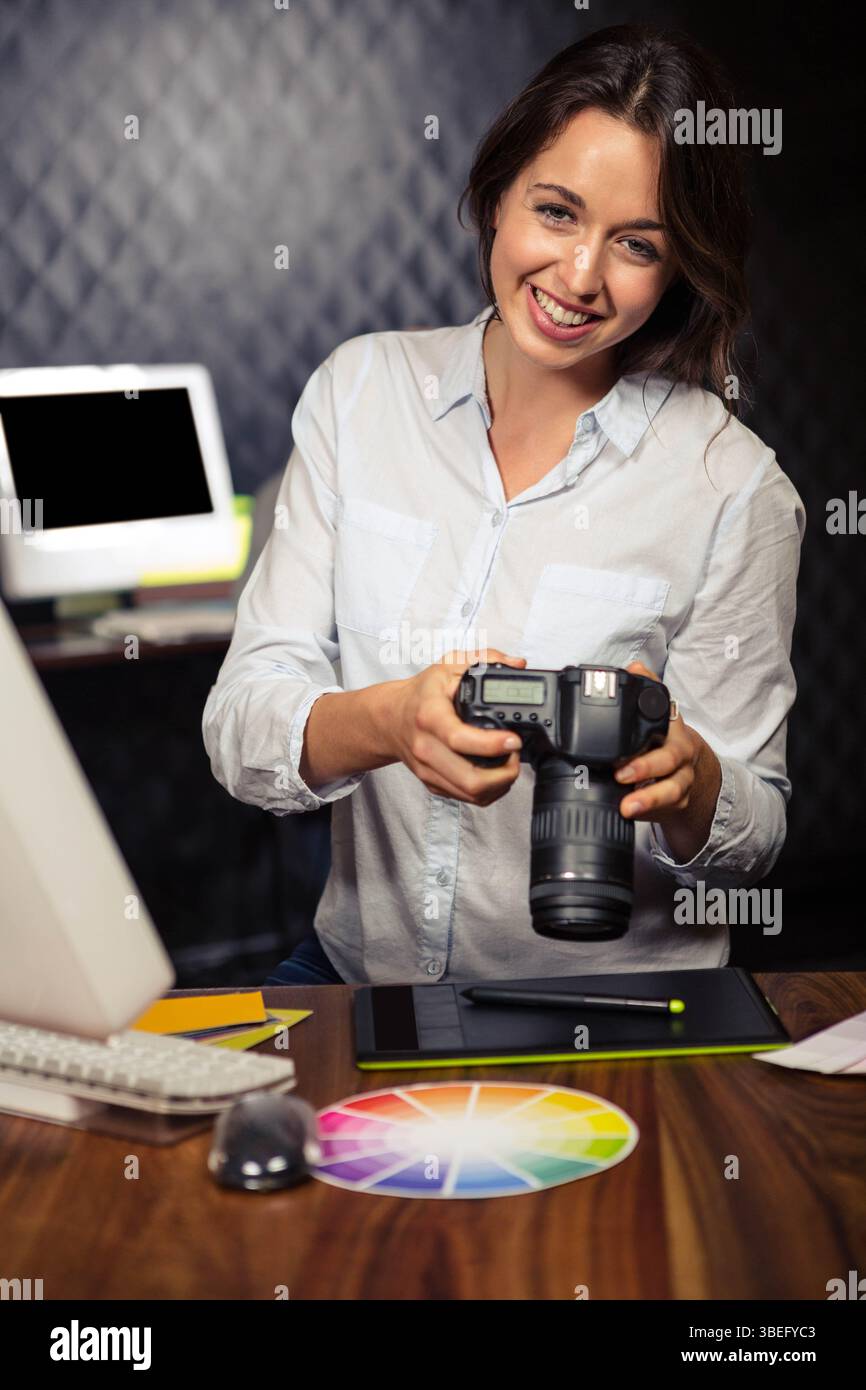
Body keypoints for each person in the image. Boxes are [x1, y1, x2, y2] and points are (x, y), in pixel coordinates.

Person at [202, 23, 805, 986]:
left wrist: (694, 789)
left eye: (636, 245)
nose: (578, 277)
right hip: (363, 979)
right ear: (497, 194)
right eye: (557, 212)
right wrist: (394, 721)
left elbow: (758, 832)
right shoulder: (360, 396)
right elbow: (241, 724)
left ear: (680, 266)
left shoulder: (733, 489)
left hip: (613, 1006)